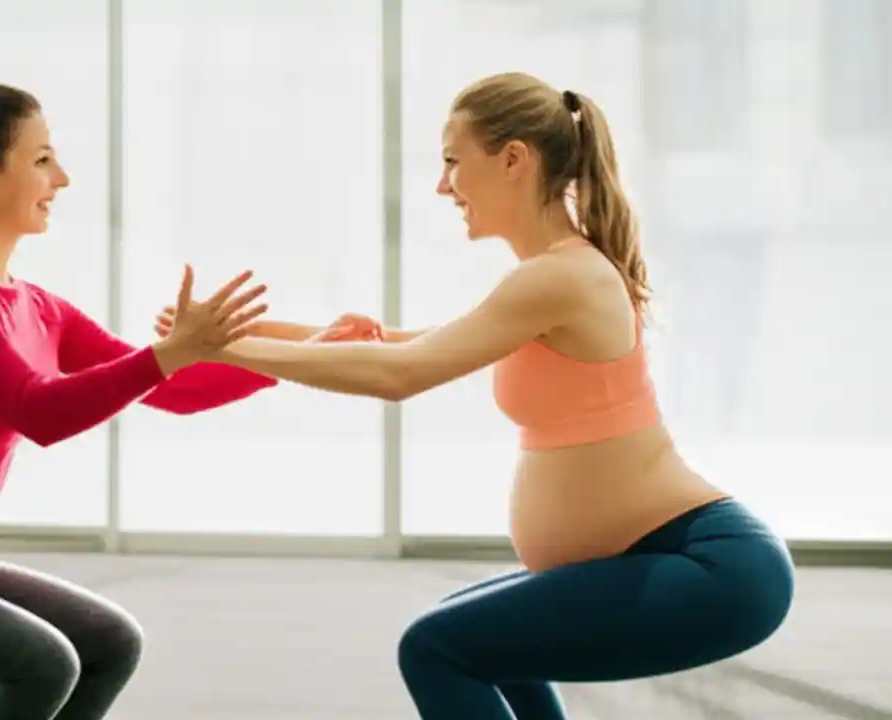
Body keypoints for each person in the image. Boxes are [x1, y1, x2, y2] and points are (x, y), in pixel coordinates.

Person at [166, 72, 796, 719]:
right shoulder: (545, 279)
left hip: (709, 567)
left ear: (514, 159)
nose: (443, 186)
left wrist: (220, 350)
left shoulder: (560, 277)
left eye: (451, 162)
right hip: (671, 557)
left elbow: (400, 373)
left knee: (437, 647)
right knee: (468, 635)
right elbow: (398, 347)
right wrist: (238, 334)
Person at [0, 82, 374, 720]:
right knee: (44, 662)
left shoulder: (35, 306)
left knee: (108, 642)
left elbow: (174, 391)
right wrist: (171, 351)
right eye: (41, 159)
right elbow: (40, 411)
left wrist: (310, 354)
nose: (62, 177)